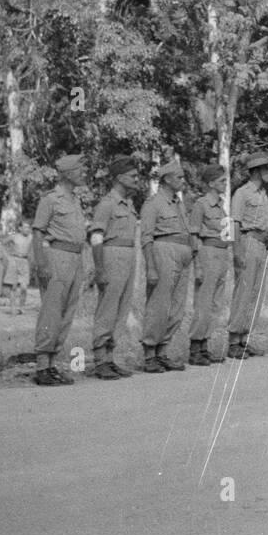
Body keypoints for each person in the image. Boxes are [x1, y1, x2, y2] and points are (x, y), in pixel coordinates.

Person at [30, 153, 91, 386]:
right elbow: (38, 231)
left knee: (67, 313)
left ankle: (52, 364)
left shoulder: (75, 200)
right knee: (52, 311)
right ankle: (42, 366)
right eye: (79, 169)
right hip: (56, 257)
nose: (83, 173)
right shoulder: (50, 199)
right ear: (67, 174)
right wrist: (42, 263)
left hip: (75, 257)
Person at [139, 158, 194, 373]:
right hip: (163, 252)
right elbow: (146, 237)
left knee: (177, 307)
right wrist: (151, 267)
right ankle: (149, 353)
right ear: (167, 179)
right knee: (159, 304)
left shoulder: (179, 204)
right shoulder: (153, 204)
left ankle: (163, 352)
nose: (183, 181)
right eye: (179, 177)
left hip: (182, 256)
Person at [89, 155, 141, 379]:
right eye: (133, 176)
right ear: (120, 178)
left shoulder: (128, 205)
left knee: (121, 309)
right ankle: (100, 360)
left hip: (128, 257)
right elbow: (96, 237)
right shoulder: (107, 204)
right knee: (108, 308)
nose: (137, 179)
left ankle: (111, 358)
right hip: (111, 256)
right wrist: (99, 269)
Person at [227, 152, 268, 360]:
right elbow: (234, 223)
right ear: (255, 171)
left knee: (256, 294)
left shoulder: (264, 194)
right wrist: (236, 251)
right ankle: (232, 341)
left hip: (261, 245)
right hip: (247, 241)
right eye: (266, 168)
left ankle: (244, 338)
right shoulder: (242, 193)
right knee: (243, 293)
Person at [187, 162, 231, 365]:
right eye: (222, 180)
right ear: (211, 183)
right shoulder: (201, 204)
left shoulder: (221, 206)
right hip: (207, 253)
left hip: (221, 254)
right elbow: (193, 235)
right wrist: (197, 265)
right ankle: (195, 348)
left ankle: (205, 345)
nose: (225, 183)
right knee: (203, 303)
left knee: (216, 304)